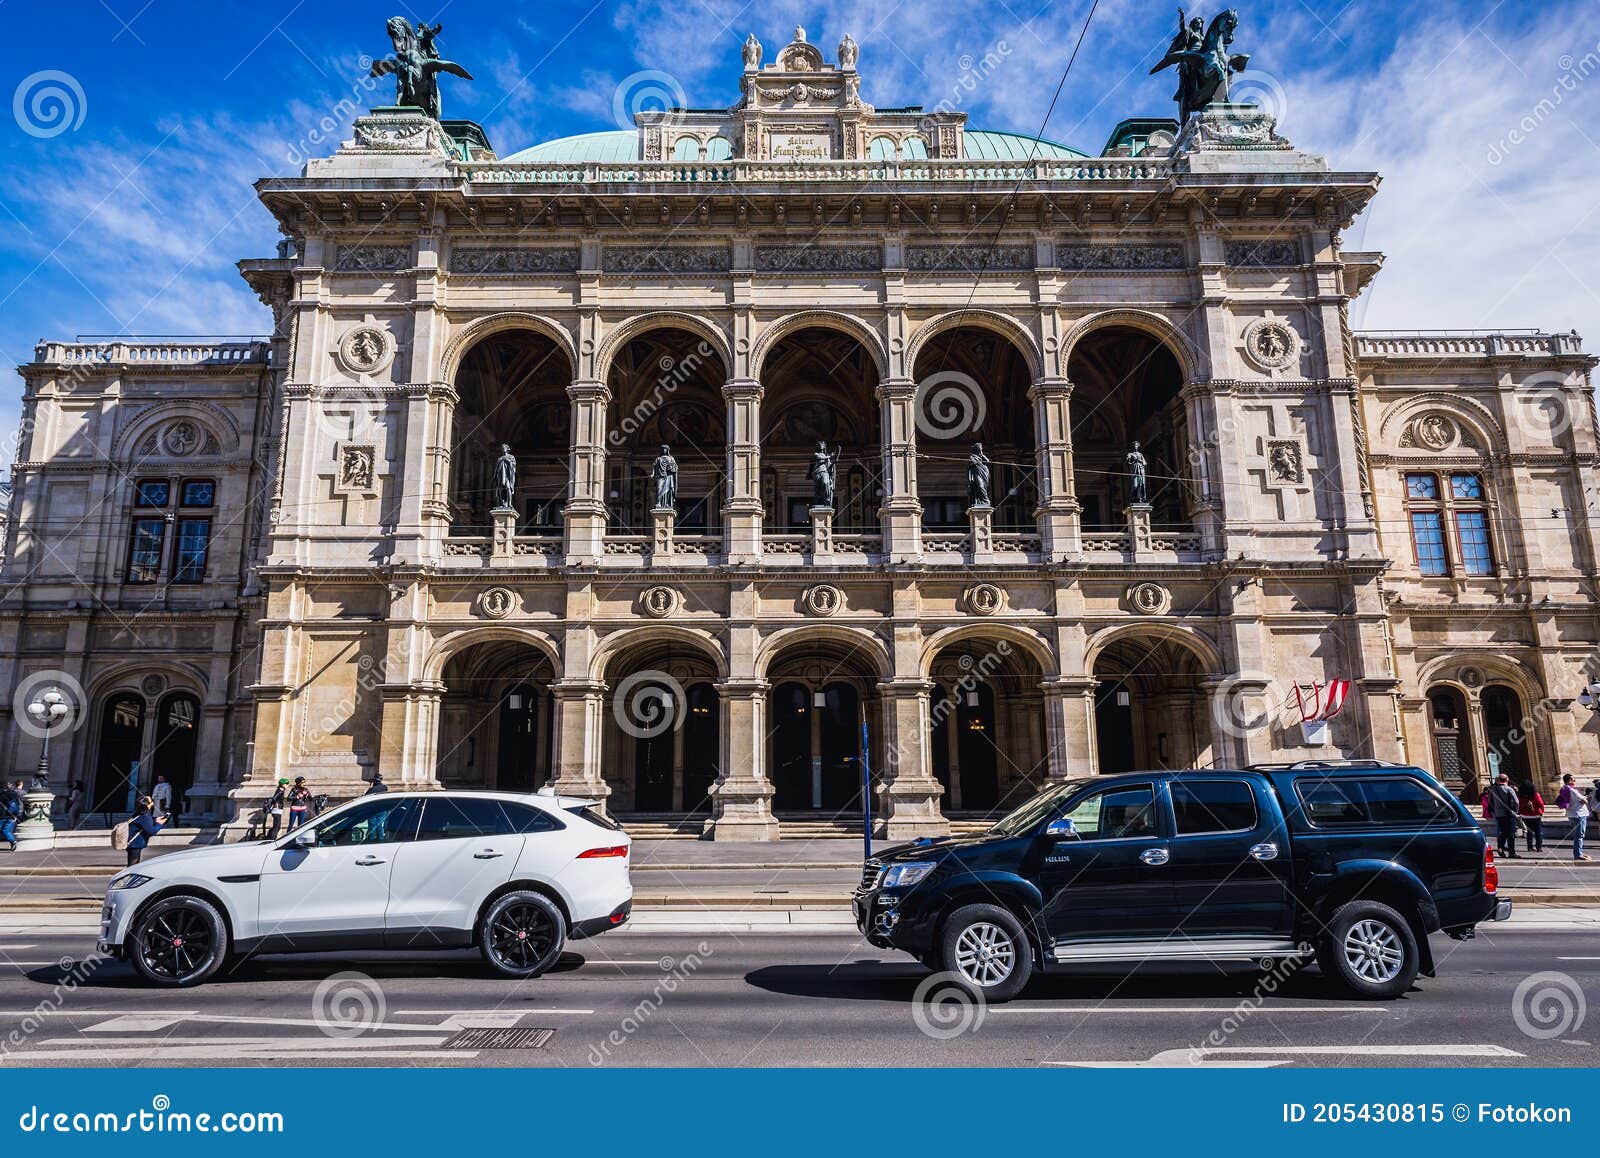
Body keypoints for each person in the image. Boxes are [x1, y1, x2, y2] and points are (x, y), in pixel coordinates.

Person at [1555, 773, 1590, 862]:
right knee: (1580, 835)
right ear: (1569, 781)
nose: (1574, 781)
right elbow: (1584, 801)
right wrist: (1585, 797)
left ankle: (1579, 853)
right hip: (1579, 814)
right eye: (1573, 780)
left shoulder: (1564, 789)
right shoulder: (1572, 790)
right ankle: (1578, 854)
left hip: (1572, 814)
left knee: (1578, 835)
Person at [1485, 773, 1521, 858]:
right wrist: (1515, 811)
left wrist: (1495, 809)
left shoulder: (1493, 790)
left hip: (1498, 814)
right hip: (1509, 814)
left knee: (1503, 832)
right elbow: (1516, 802)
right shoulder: (1509, 789)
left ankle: (1500, 847)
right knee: (1511, 833)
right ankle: (1512, 852)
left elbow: (1489, 801)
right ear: (1507, 780)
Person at [126, 796, 168, 866]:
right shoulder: (144, 816)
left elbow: (146, 824)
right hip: (135, 844)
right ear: (148, 804)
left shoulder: (139, 813)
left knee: (133, 865)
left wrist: (155, 820)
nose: (152, 803)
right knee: (132, 866)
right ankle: (127, 877)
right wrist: (159, 824)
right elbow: (152, 831)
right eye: (151, 801)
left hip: (133, 843)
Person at [1517, 782, 1545, 853]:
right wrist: (1541, 812)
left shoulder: (1520, 796)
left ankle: (1530, 846)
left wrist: (1520, 813)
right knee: (1538, 831)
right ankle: (1539, 847)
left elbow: (1518, 805)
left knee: (1529, 831)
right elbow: (1541, 804)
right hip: (1535, 815)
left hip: (1525, 815)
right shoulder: (1535, 795)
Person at [0, 782, 21, 851]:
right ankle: (13, 841)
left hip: (2, 815)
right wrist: (16, 815)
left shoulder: (2, 794)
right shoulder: (15, 794)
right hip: (11, 815)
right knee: (6, 830)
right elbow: (18, 805)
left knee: (4, 830)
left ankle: (13, 841)